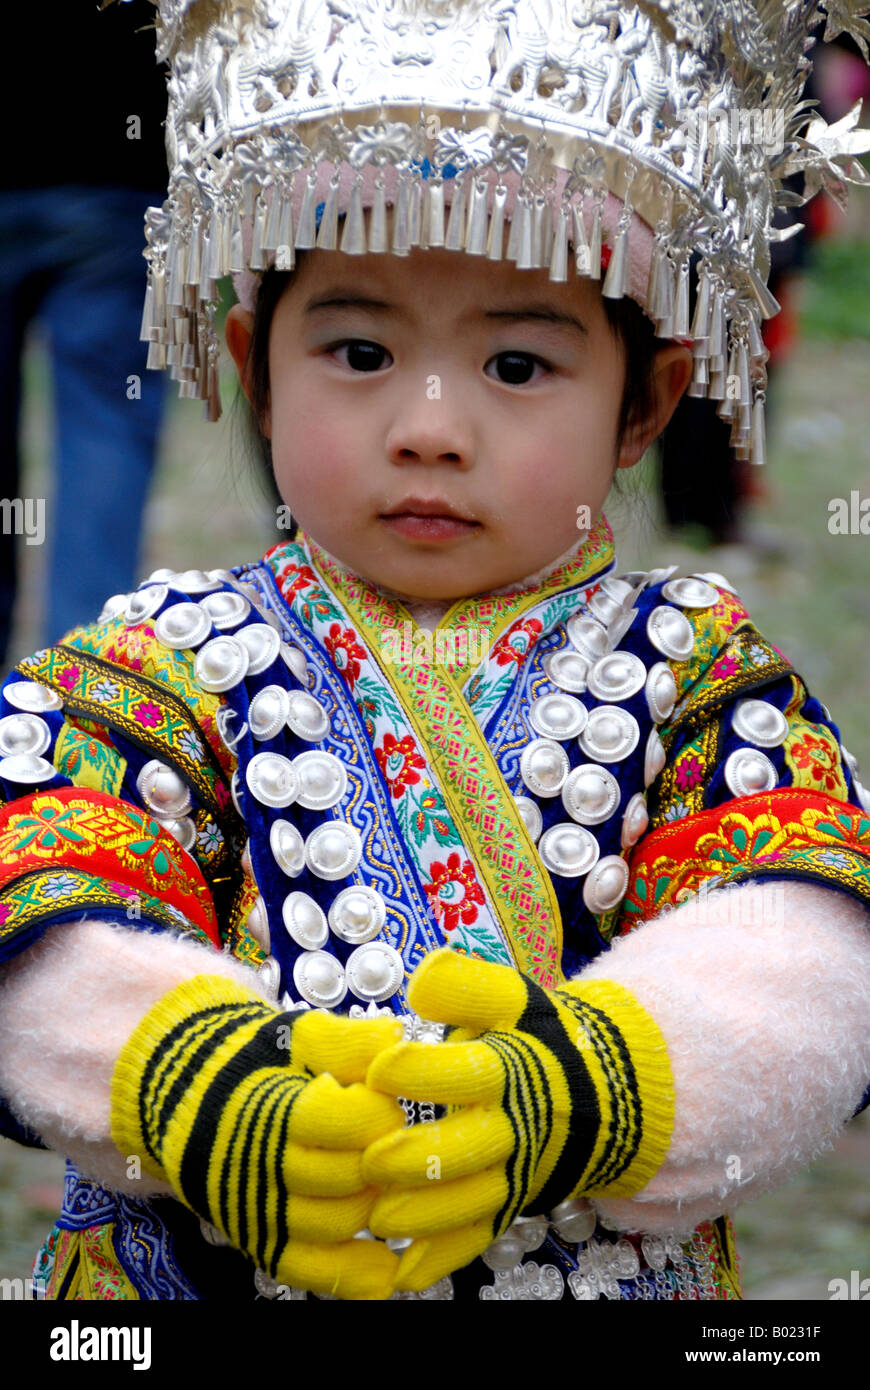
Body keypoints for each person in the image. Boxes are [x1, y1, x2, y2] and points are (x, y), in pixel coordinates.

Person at [1, 0, 870, 1303]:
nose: (428, 428)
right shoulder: (148, 666)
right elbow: (36, 883)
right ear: (254, 365)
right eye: (358, 352)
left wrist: (591, 1091)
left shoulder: (698, 671)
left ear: (645, 403)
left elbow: (806, 945)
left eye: (517, 364)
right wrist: (184, 1078)